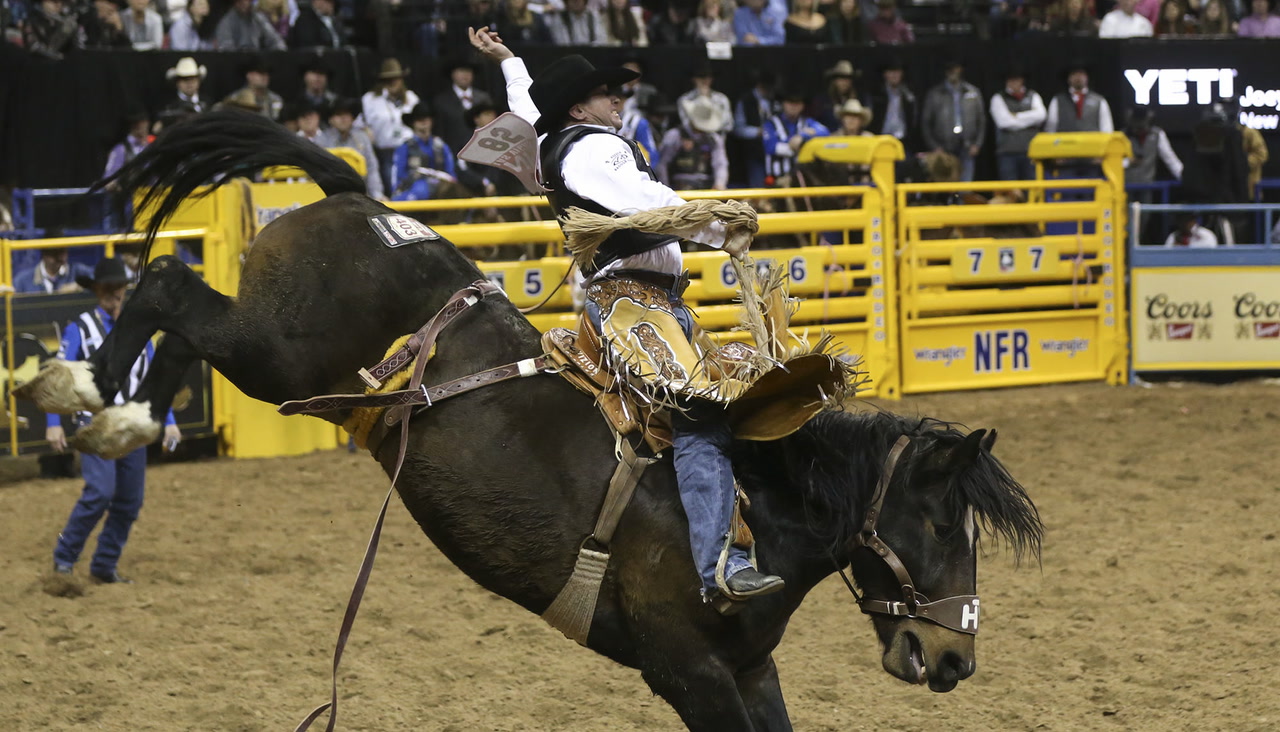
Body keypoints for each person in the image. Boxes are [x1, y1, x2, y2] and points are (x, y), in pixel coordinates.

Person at [469, 26, 783, 604]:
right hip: (637, 302)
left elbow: (528, 112)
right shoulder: (597, 148)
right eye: (605, 92)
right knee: (700, 413)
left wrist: (510, 61)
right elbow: (646, 202)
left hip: (635, 299)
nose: (617, 98)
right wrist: (722, 227)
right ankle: (721, 566)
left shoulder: (552, 147)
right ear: (578, 108)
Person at [49, 258, 182, 585]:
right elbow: (59, 378)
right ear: (97, 291)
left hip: (130, 423)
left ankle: (104, 565)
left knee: (129, 501)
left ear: (124, 289)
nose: (113, 294)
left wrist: (168, 419)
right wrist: (53, 421)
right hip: (95, 423)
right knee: (100, 492)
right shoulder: (80, 329)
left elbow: (156, 379)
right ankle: (64, 557)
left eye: (117, 288)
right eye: (107, 289)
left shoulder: (140, 332)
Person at [921, 60, 986, 182]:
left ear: (961, 70)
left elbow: (981, 121)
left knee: (965, 187)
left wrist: (977, 144)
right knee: (945, 185)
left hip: (967, 147)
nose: (953, 72)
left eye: (955, 68)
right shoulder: (935, 93)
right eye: (949, 69)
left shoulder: (973, 92)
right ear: (945, 72)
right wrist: (934, 146)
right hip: (943, 149)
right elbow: (926, 123)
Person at [362, 59, 418, 195]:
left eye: (396, 78)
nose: (392, 82)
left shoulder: (411, 98)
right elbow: (360, 124)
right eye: (388, 79)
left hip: (409, 149)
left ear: (401, 79)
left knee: (413, 187)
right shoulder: (370, 99)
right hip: (384, 152)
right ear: (381, 81)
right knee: (391, 187)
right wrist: (366, 132)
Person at [317, 97, 385, 200]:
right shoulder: (321, 140)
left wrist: (377, 194)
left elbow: (372, 168)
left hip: (360, 193)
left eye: (346, 114)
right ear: (331, 119)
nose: (343, 118)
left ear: (352, 118)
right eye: (338, 114)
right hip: (330, 195)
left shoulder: (362, 138)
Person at [659, 95, 730, 190]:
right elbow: (663, 164)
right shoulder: (675, 136)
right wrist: (665, 188)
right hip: (680, 186)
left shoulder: (714, 139)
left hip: (707, 186)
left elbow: (720, 163)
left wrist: (720, 183)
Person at [390, 103, 457, 202]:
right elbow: (399, 176)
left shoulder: (442, 147)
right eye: (419, 119)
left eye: (426, 118)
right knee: (419, 191)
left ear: (431, 121)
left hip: (441, 191)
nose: (423, 122)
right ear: (413, 123)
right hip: (412, 189)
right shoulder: (405, 147)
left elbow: (451, 174)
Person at [989, 67, 1046, 181]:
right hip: (1007, 152)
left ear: (1022, 80)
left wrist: (1016, 116)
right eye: (1011, 79)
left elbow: (1041, 115)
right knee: (1010, 188)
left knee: (1032, 186)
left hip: (1031, 151)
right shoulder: (998, 98)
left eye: (1016, 79)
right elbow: (1004, 122)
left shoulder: (1032, 95)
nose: (1014, 82)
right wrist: (1030, 119)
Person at [764, 90, 831, 186]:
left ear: (802, 105)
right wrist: (799, 145)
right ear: (783, 103)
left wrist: (803, 137)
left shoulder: (807, 122)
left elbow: (825, 132)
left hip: (803, 180)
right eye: (790, 102)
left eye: (797, 103)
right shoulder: (771, 123)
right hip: (777, 180)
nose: (793, 106)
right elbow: (771, 147)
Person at [432, 61, 494, 156]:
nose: (465, 75)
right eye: (461, 71)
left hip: (483, 153)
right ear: (452, 74)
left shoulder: (484, 98)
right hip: (454, 154)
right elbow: (440, 132)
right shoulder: (441, 101)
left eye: (468, 71)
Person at [733, 68, 780, 188]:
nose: (770, 90)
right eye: (767, 87)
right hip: (754, 152)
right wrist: (758, 132)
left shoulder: (775, 100)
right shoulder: (745, 101)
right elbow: (738, 129)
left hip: (776, 154)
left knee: (778, 187)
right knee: (758, 186)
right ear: (760, 85)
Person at [1123, 107, 1183, 197]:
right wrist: (1127, 162)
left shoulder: (1157, 134)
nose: (1139, 129)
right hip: (1125, 187)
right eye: (1136, 126)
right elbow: (1112, 161)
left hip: (1147, 186)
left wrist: (1183, 176)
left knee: (1146, 204)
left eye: (1141, 126)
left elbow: (1170, 159)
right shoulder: (1121, 136)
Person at [1044, 63, 1114, 134]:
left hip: (1092, 140)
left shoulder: (1099, 101)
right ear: (1068, 78)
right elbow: (1051, 128)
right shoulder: (1057, 100)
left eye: (1081, 74)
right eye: (1074, 74)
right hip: (1065, 140)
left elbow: (1107, 129)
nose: (1078, 77)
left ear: (1087, 77)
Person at [869, 58, 919, 153]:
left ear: (902, 74)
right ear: (885, 74)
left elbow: (913, 119)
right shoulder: (877, 94)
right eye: (891, 72)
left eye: (897, 72)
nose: (894, 75)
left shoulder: (908, 94)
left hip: (902, 141)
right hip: (881, 139)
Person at [676, 65, 734, 137]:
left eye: (709, 77)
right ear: (694, 79)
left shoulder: (722, 99)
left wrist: (713, 126)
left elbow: (728, 125)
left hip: (716, 139)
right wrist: (702, 98)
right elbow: (687, 125)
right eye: (701, 76)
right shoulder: (685, 99)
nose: (705, 80)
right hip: (694, 140)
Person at [222, 56, 284, 121]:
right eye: (260, 73)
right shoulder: (235, 99)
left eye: (267, 73)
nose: (265, 77)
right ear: (249, 75)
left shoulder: (276, 99)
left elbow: (279, 119)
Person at [14, 247, 92, 295]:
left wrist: (78, 286)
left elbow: (98, 281)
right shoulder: (22, 280)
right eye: (55, 252)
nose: (60, 257)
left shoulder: (78, 271)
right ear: (44, 254)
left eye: (63, 251)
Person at [214, 0, 286, 50]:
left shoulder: (258, 18)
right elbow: (226, 50)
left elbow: (276, 41)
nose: (245, 2)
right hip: (236, 63)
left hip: (257, 61)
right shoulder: (226, 21)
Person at [156, 57, 209, 124]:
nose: (190, 83)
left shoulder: (207, 102)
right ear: (177, 82)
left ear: (199, 81)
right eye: (185, 79)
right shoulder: (169, 106)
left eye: (193, 79)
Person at [811, 59, 858, 132]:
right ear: (834, 80)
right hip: (827, 136)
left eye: (848, 78)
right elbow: (814, 122)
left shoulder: (859, 99)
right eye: (841, 78)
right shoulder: (822, 100)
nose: (844, 82)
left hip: (851, 137)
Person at [104, 111, 151, 179]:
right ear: (134, 126)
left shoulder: (149, 145)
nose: (145, 130)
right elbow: (110, 176)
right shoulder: (121, 149)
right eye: (143, 127)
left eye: (146, 127)